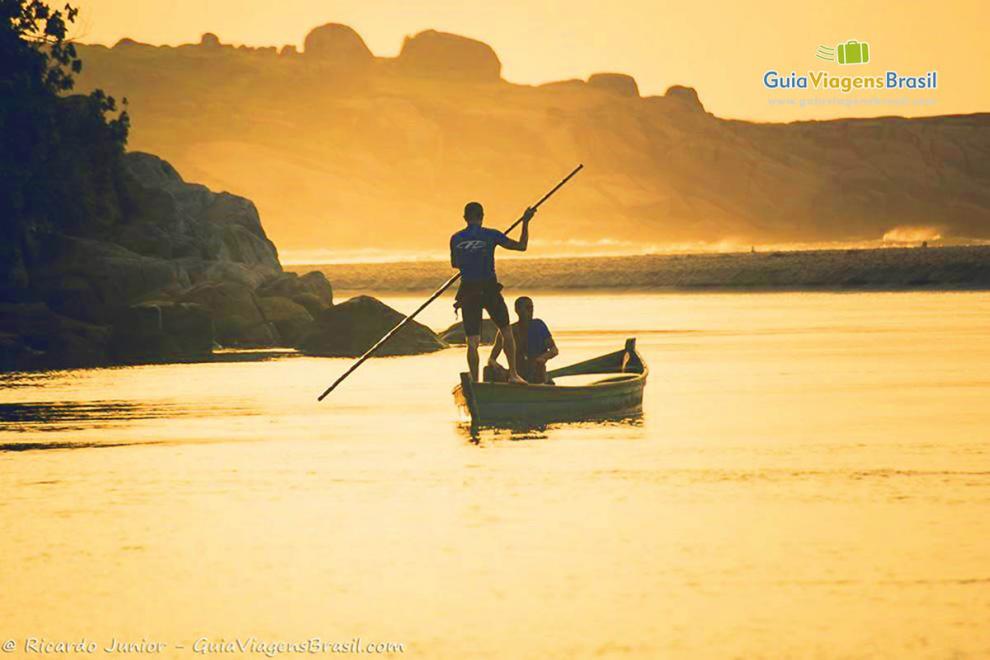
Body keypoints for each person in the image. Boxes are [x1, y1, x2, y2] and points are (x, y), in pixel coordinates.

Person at [450, 201, 535, 384]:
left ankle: (475, 381)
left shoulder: (455, 239)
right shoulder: (492, 235)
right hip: (489, 289)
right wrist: (525, 222)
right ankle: (513, 374)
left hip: (469, 290)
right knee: (506, 331)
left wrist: (471, 258)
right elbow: (522, 246)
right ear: (482, 216)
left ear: (465, 218)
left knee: (472, 341)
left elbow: (456, 264)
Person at [487, 296, 558, 384]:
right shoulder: (508, 332)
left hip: (537, 375)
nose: (531, 311)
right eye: (527, 308)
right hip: (516, 375)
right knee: (488, 371)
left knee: (540, 372)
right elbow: (491, 359)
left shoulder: (539, 326)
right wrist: (495, 365)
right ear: (518, 310)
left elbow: (554, 350)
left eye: (532, 308)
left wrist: (543, 357)